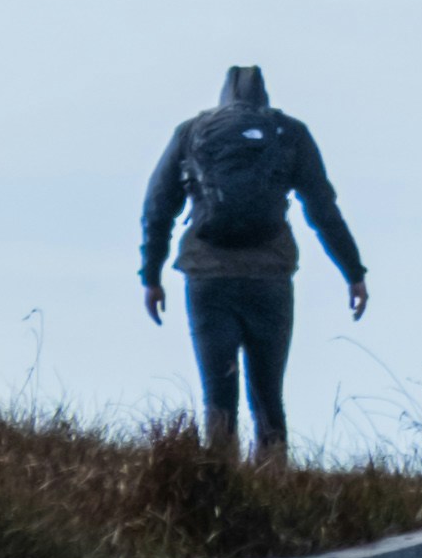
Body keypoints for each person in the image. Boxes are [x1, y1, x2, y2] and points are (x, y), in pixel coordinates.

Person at [139, 64, 368, 461]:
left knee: (218, 395)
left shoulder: (192, 132)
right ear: (265, 97)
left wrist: (152, 274)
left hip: (207, 275)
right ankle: (274, 487)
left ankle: (221, 489)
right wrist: (353, 273)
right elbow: (322, 210)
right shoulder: (289, 133)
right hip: (270, 276)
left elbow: (158, 207)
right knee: (267, 394)